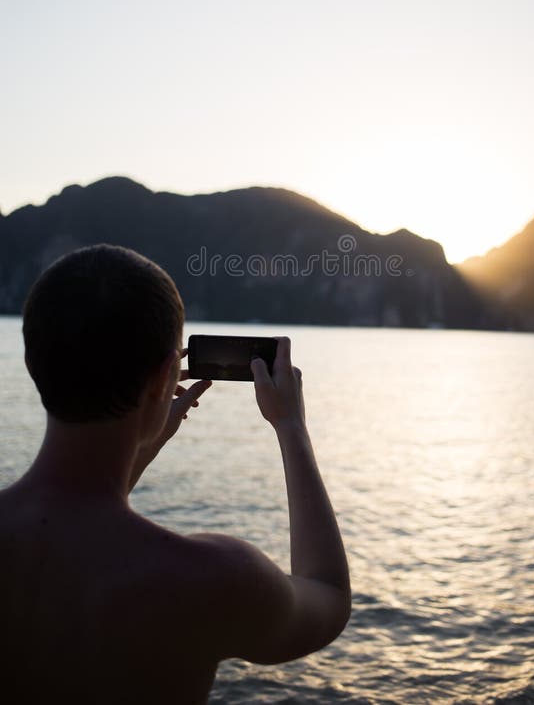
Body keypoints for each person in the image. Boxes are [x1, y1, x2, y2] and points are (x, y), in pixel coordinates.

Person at [0, 244, 351, 704]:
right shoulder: (209, 577)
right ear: (168, 376)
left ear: (31, 362)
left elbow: (68, 534)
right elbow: (327, 595)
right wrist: (291, 427)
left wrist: (142, 441)